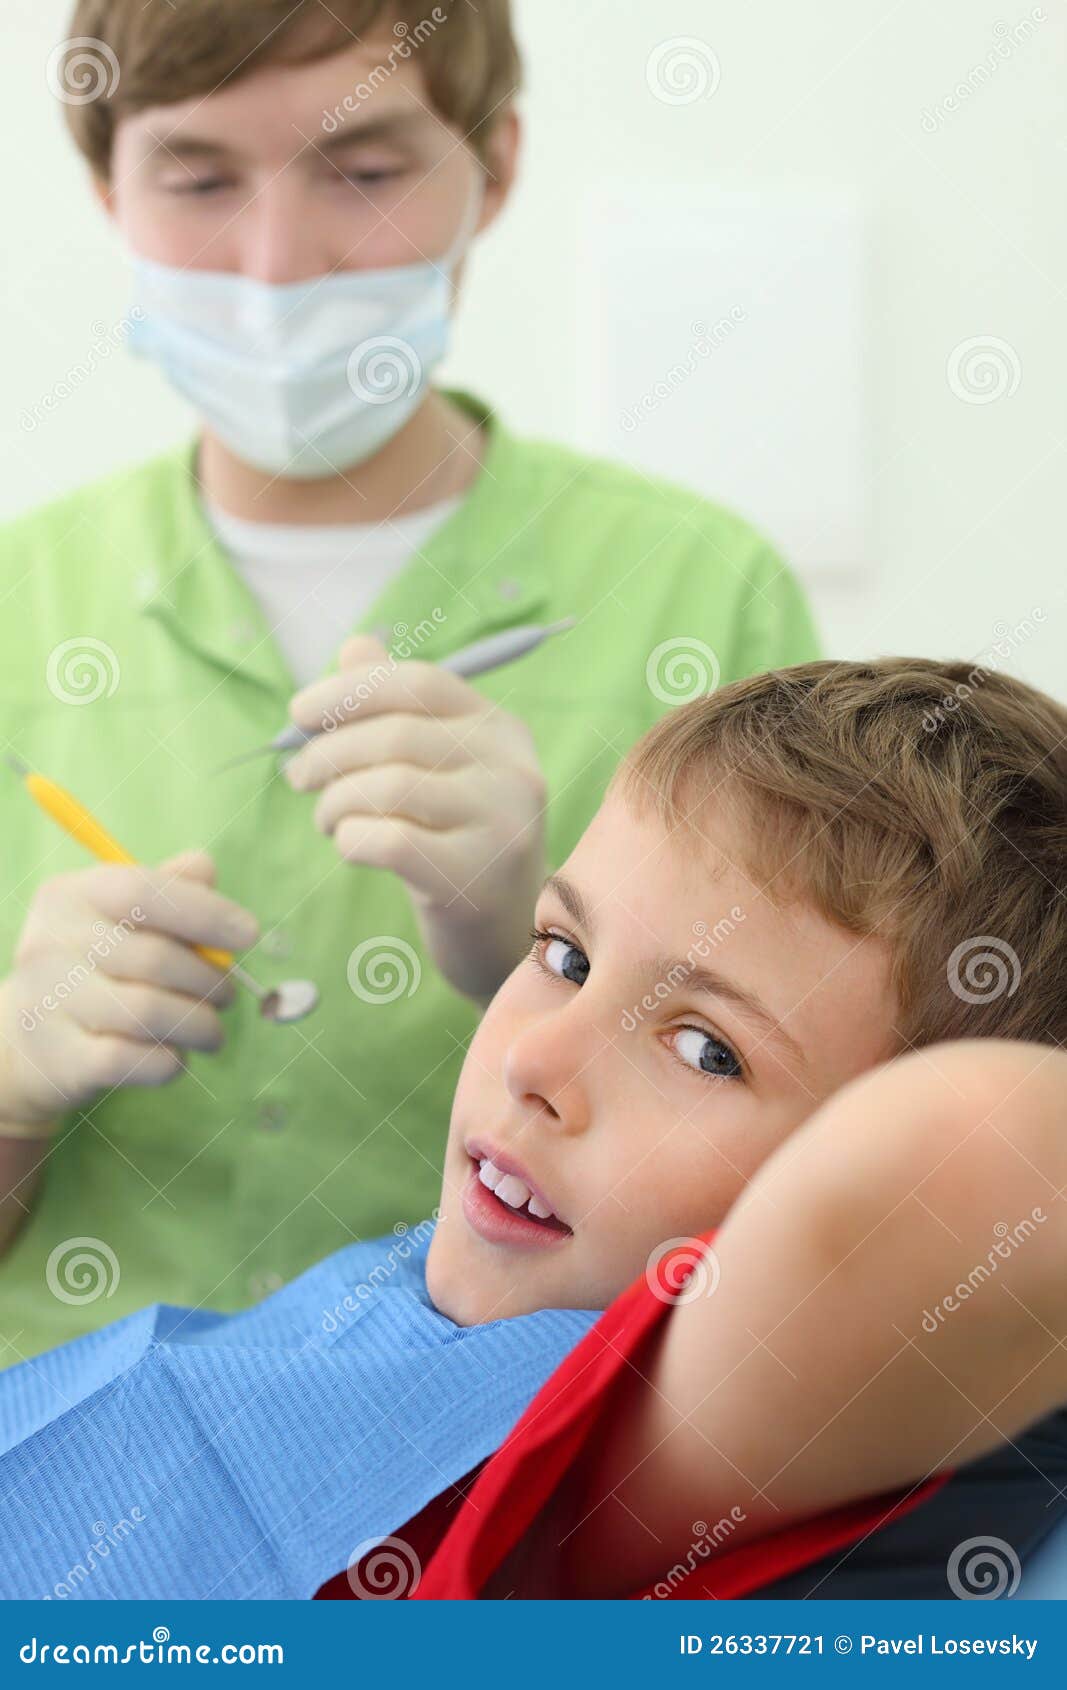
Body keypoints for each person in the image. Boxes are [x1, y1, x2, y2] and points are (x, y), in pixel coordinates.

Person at [0, 0, 819, 1364]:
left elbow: (810, 1208)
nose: (279, 265)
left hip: (509, 1516)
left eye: (364, 172)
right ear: (105, 189)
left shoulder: (701, 591)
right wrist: (12, 1085)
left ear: (492, 167)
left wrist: (535, 955)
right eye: (200, 180)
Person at [3, 658, 1066, 1602]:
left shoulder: (655, 1466)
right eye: (562, 954)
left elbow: (986, 1149)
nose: (533, 1061)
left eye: (706, 1050)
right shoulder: (446, 1277)